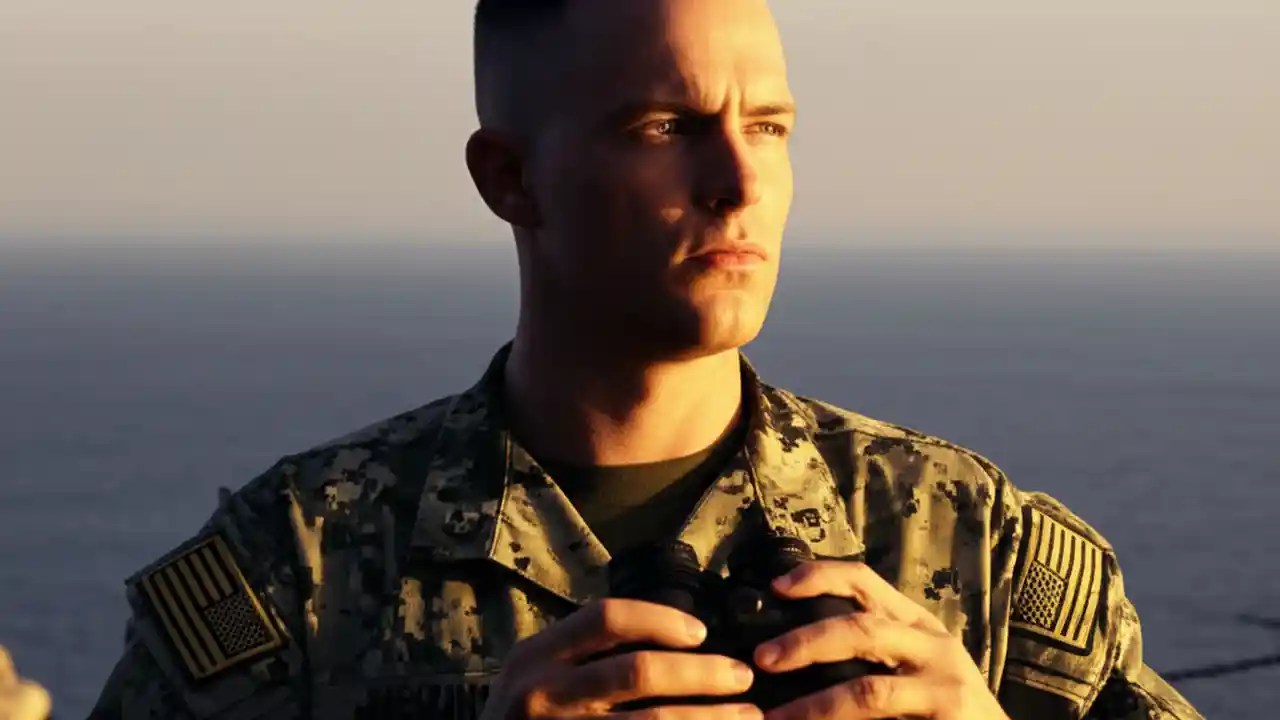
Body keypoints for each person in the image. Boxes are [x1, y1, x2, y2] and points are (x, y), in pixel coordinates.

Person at [80, 0, 1204, 718]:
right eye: (666, 127)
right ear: (508, 179)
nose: (739, 181)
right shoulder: (294, 571)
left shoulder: (973, 548)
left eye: (767, 126)